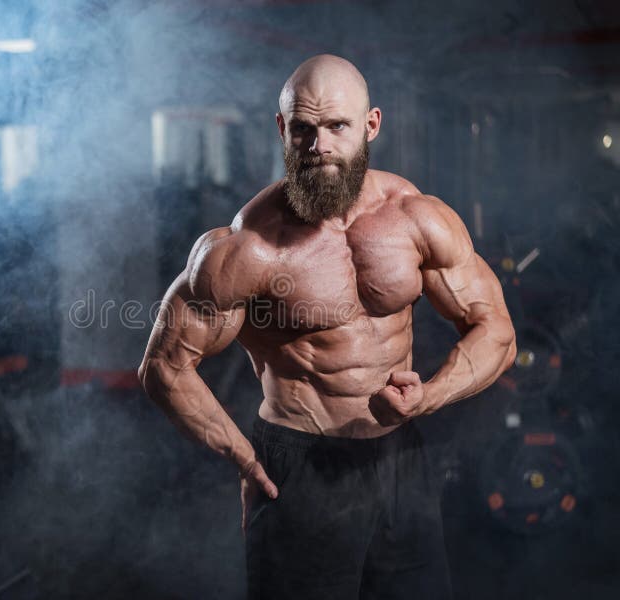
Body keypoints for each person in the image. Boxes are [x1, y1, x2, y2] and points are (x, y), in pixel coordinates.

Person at [138, 54, 516, 599]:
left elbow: (497, 332)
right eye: (303, 129)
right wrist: (245, 458)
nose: (319, 148)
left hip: (401, 459)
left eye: (337, 126)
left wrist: (429, 396)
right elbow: (164, 368)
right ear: (282, 129)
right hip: (301, 466)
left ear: (371, 125)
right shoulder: (248, 249)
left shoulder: (417, 218)